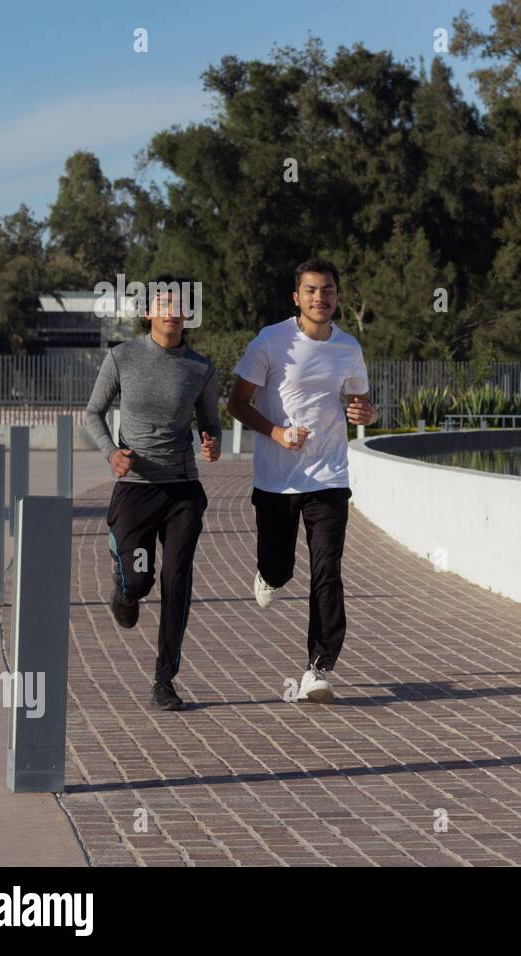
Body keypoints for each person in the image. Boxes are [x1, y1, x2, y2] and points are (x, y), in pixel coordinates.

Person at [227, 258, 376, 703]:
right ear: (297, 297)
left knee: (327, 570)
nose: (320, 297)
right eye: (311, 290)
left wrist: (368, 413)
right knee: (279, 566)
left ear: (337, 296)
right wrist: (275, 432)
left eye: (327, 290)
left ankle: (319, 668)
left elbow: (361, 402)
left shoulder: (348, 347)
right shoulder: (271, 341)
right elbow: (236, 403)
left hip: (328, 475)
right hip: (276, 480)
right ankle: (269, 575)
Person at [85, 275, 221, 712]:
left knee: (176, 579)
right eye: (164, 303)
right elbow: (93, 413)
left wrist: (211, 440)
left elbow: (210, 421)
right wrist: (112, 454)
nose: (173, 311)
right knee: (140, 581)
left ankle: (165, 680)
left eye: (181, 305)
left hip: (181, 490)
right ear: (148, 312)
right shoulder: (122, 357)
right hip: (136, 488)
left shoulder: (200, 368)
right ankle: (124, 589)